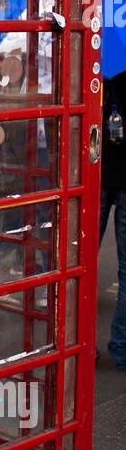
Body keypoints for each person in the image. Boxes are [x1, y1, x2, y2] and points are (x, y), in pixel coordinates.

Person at [100, 72, 126, 370]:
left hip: (99, 173)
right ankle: (121, 349)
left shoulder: (106, 79)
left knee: (79, 265)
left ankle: (76, 346)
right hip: (107, 178)